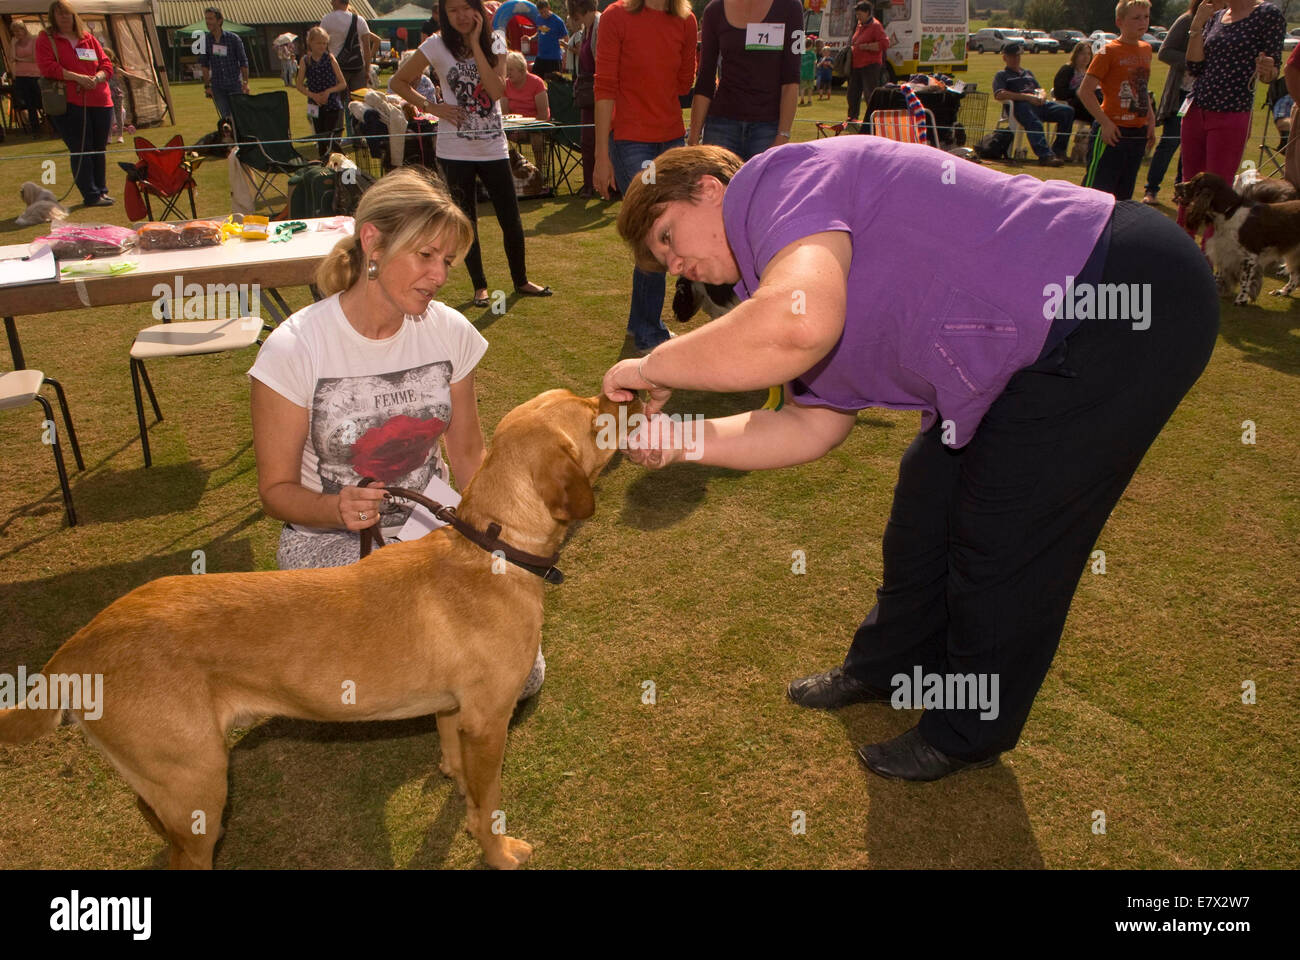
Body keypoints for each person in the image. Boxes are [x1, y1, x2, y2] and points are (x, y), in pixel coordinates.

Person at [600, 139, 1219, 781]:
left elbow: (797, 325)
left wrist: (654, 363)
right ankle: (893, 666)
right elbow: (811, 426)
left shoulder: (774, 181)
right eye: (663, 261)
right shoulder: (773, 269)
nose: (677, 266)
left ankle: (967, 731)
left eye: (669, 237)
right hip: (1044, 337)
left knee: (1004, 531)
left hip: (1121, 292)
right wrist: (681, 440)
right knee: (927, 499)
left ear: (707, 188)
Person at [248, 168, 547, 701]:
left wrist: (499, 534)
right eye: (426, 255)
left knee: (520, 677)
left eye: (448, 261)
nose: (439, 275)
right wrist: (335, 508)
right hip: (326, 540)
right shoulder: (296, 348)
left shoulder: (450, 332)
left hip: (428, 525)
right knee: (386, 669)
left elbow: (470, 452)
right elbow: (275, 494)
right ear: (374, 243)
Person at [390, 0, 553, 307]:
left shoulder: (496, 40)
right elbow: (397, 81)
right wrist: (432, 106)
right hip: (455, 149)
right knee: (466, 222)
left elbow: (495, 91)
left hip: (493, 147)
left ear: (478, 8)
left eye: (466, 7)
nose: (461, 15)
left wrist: (476, 44)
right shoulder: (436, 43)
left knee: (511, 219)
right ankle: (480, 287)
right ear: (444, 14)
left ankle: (521, 281)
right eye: (453, 10)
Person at [594, 0, 698, 354]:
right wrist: (600, 157)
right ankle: (648, 330)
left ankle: (641, 324)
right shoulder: (615, 16)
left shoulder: (686, 21)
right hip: (628, 139)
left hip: (671, 137)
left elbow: (686, 80)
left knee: (664, 231)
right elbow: (604, 87)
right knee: (656, 229)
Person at [1179, 0, 1284, 233]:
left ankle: (1208, 259)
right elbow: (1194, 67)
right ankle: (1181, 250)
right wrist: (1196, 26)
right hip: (1197, 108)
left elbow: (1272, 70)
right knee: (1189, 185)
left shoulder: (1267, 14)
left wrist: (1268, 70)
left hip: (1231, 111)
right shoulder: (1216, 16)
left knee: (1217, 190)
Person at [688, 0, 802, 161]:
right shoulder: (714, 10)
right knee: (715, 185)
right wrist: (694, 137)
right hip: (721, 126)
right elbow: (705, 77)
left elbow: (792, 78)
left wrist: (783, 135)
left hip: (768, 128)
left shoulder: (790, 7)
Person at [34, 0, 115, 207]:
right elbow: (47, 67)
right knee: (81, 148)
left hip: (100, 100)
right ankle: (90, 193)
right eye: (60, 14)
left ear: (73, 15)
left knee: (98, 148)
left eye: (67, 13)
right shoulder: (46, 39)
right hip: (69, 102)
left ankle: (101, 190)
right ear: (53, 17)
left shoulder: (88, 38)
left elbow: (106, 64)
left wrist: (96, 78)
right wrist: (76, 77)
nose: (64, 17)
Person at [1078, 0, 1156, 199]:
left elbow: (1142, 87)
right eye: (1136, 18)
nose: (1143, 22)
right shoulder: (1107, 51)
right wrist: (1105, 123)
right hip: (1112, 131)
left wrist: (1150, 119)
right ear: (1119, 21)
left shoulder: (1146, 49)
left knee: (1124, 193)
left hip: (1137, 132)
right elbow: (1085, 91)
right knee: (1098, 191)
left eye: (1146, 17)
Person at [1144, 1, 1203, 204]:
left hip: (1204, 98)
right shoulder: (1186, 20)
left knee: (1191, 147)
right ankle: (1151, 189)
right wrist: (1194, 62)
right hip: (1180, 96)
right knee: (1170, 141)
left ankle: (1181, 191)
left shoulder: (1222, 21)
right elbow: (1165, 51)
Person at [297, 26, 348, 160]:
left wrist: (328, 92)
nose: (322, 46)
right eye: (319, 43)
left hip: (332, 103)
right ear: (311, 43)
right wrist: (313, 95)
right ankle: (323, 165)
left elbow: (343, 83)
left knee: (329, 138)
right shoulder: (305, 61)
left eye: (324, 43)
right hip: (314, 104)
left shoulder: (330, 59)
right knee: (320, 139)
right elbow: (299, 85)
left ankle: (344, 162)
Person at [197, 7, 249, 120]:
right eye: (206, 19)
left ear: (219, 21)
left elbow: (243, 61)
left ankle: (241, 138)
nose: (207, 22)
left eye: (210, 18)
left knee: (239, 117)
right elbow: (204, 65)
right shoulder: (205, 41)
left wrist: (245, 83)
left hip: (235, 84)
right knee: (225, 119)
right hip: (218, 87)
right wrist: (207, 86)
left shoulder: (234, 39)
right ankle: (229, 138)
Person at [572, 0, 601, 197]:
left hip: (598, 93)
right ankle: (590, 183)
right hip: (587, 93)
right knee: (587, 141)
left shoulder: (600, 26)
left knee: (597, 140)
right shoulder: (586, 30)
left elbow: (601, 62)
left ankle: (600, 184)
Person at [322, 0, 380, 92]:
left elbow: (321, 44)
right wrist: (367, 69)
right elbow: (366, 48)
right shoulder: (360, 20)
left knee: (338, 101)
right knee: (358, 102)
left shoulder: (327, 19)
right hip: (358, 67)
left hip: (336, 67)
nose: (331, 3)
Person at [845, 1, 888, 123]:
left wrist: (867, 46)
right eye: (856, 15)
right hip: (856, 65)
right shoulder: (859, 25)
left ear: (868, 13)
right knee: (852, 93)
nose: (858, 17)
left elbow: (885, 43)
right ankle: (852, 117)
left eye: (860, 14)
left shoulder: (876, 26)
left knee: (870, 93)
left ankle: (873, 119)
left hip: (870, 65)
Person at [10, 21, 45, 137]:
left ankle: (52, 126)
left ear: (24, 30)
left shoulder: (34, 40)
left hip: (35, 75)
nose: (17, 33)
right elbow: (12, 57)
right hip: (21, 76)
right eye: (14, 31)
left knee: (42, 101)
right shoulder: (14, 42)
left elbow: (35, 58)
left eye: (19, 30)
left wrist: (20, 59)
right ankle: (36, 129)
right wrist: (13, 44)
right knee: (29, 104)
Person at [531, 0, 568, 77]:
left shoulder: (558, 21)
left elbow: (566, 37)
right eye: (541, 13)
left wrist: (565, 54)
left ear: (548, 7)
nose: (544, 14)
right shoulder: (538, 19)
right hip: (540, 56)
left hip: (553, 57)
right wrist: (530, 38)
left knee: (553, 84)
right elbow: (540, 33)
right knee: (535, 78)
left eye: (545, 11)